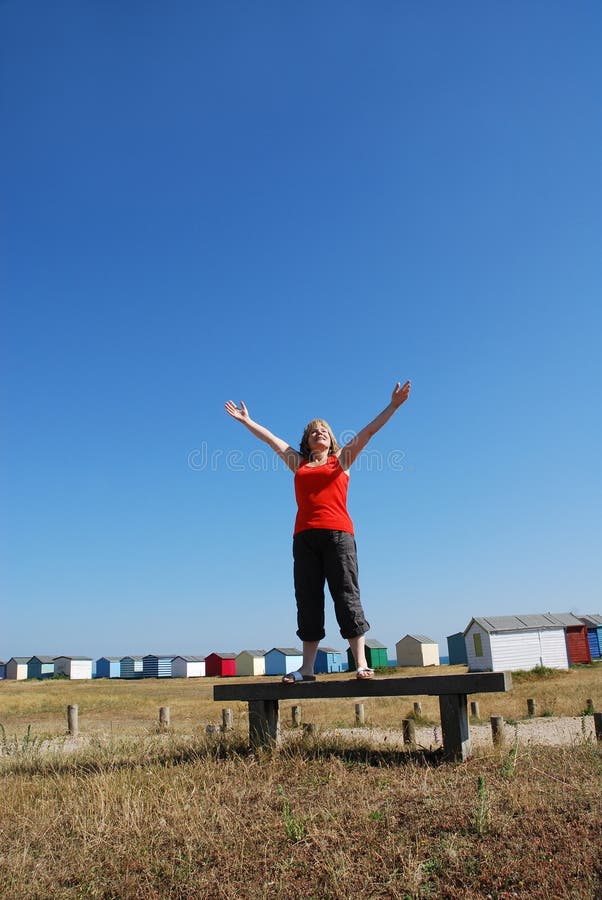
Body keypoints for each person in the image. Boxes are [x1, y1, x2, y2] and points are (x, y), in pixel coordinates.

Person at [224, 380, 411, 682]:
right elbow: (271, 440)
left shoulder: (342, 461)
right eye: (313, 431)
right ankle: (307, 669)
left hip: (339, 536)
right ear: (307, 442)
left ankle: (360, 663)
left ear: (331, 439)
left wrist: (393, 405)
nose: (319, 432)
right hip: (305, 539)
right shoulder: (297, 464)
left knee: (346, 595)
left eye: (323, 429)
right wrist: (247, 421)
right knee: (308, 600)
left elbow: (368, 431)